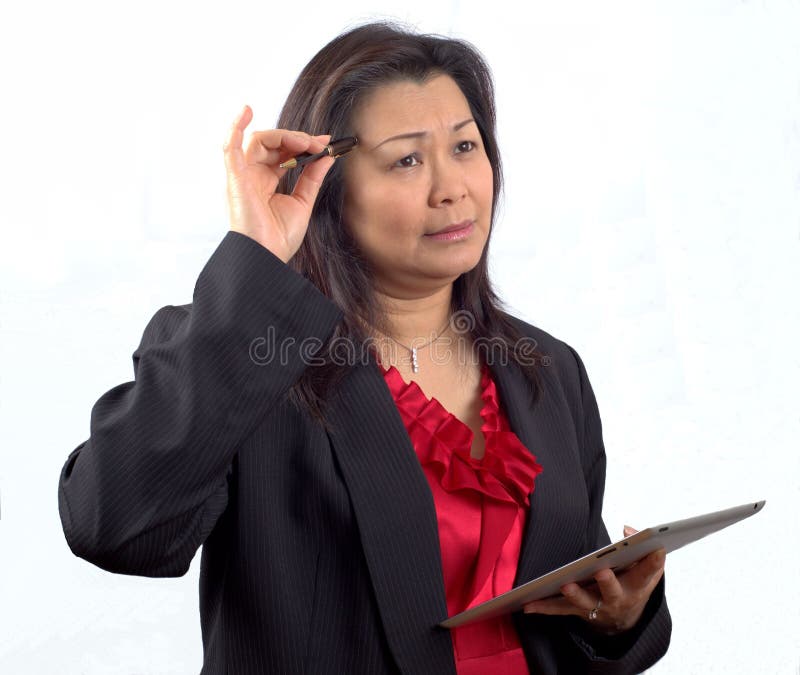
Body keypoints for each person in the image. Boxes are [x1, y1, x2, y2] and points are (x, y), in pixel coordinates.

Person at [57, 20, 671, 674]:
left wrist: (619, 617)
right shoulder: (245, 352)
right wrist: (257, 258)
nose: (452, 187)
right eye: (407, 159)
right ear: (329, 187)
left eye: (465, 146)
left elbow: (566, 609)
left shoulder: (547, 371)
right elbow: (115, 526)